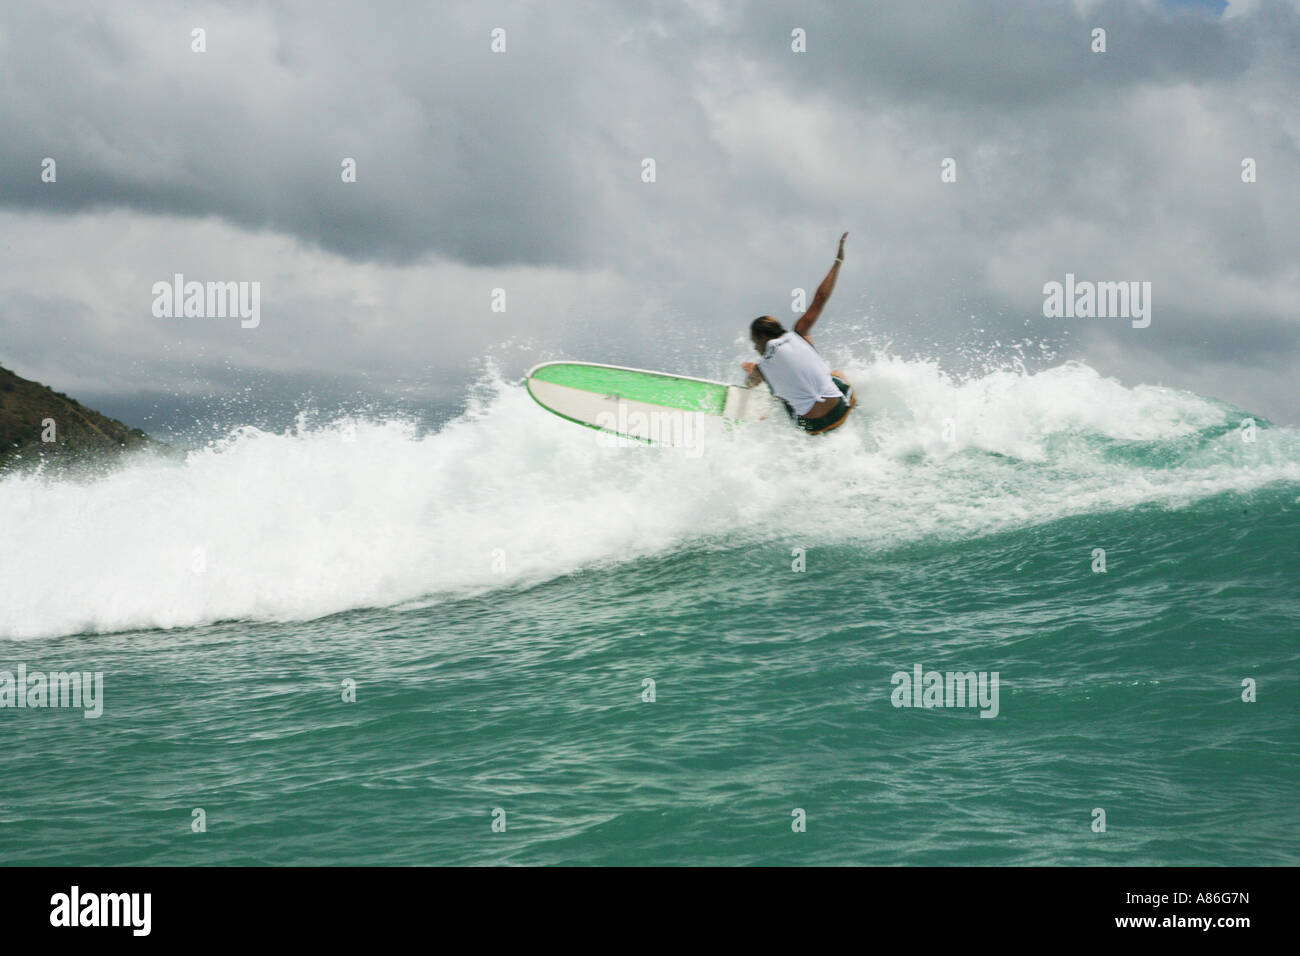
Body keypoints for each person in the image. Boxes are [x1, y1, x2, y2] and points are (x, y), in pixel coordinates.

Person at [741, 232, 856, 435]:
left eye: (754, 343)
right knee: (837, 375)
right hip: (841, 411)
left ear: (762, 337)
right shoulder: (800, 333)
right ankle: (857, 409)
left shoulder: (763, 369)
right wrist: (838, 261)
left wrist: (750, 375)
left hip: (814, 427)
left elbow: (749, 384)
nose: (755, 348)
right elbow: (820, 297)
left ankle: (766, 417)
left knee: (779, 395)